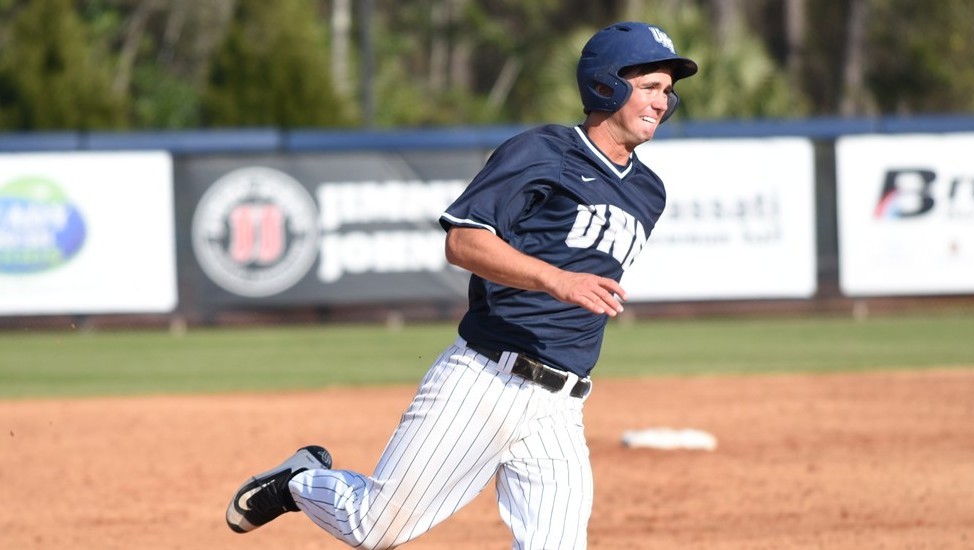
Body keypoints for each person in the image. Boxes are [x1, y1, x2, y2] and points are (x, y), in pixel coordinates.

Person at [225, 21, 697, 550]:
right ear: (605, 85)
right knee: (374, 528)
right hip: (485, 380)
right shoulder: (543, 151)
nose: (663, 101)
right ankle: (299, 481)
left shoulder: (649, 192)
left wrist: (567, 288)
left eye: (668, 91)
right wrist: (554, 279)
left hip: (561, 405)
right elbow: (464, 242)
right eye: (651, 86)